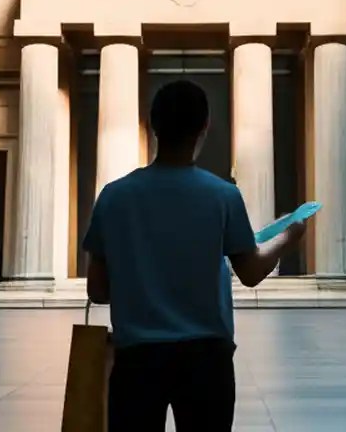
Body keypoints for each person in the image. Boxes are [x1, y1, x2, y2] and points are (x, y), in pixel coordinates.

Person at [83, 79, 306, 431]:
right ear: (204, 127)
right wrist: (289, 235)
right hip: (206, 359)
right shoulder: (222, 196)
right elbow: (250, 272)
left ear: (152, 126)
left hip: (137, 359)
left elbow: (97, 291)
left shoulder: (114, 196)